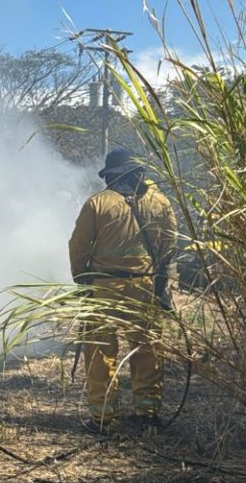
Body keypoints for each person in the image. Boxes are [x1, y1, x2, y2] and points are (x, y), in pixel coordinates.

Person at [67, 147, 177, 428]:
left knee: (101, 352)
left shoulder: (97, 203)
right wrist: (161, 284)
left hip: (104, 287)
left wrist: (82, 280)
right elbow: (169, 247)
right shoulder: (160, 202)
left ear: (112, 175)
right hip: (144, 286)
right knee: (147, 349)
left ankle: (104, 418)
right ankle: (148, 414)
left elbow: (78, 247)